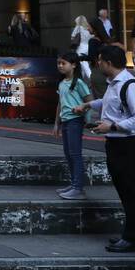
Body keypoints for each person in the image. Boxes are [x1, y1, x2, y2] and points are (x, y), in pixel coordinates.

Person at [88, 44, 135, 252]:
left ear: (108, 62)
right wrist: (89, 105)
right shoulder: (113, 84)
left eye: (100, 60)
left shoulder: (130, 85)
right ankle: (131, 234)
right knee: (124, 190)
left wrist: (113, 126)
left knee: (130, 190)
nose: (98, 64)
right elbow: (109, 103)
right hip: (115, 143)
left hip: (127, 144)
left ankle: (134, 237)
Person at [54, 52, 95, 199]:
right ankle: (74, 184)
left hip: (75, 121)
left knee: (75, 154)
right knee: (68, 153)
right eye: (59, 63)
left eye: (63, 63)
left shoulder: (78, 83)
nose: (60, 66)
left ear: (74, 65)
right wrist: (56, 123)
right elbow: (60, 103)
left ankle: (78, 187)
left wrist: (83, 113)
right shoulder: (62, 83)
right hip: (65, 121)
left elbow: (89, 100)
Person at [71, 15, 95, 81]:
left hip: (81, 47)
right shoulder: (89, 27)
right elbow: (93, 35)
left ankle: (90, 77)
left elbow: (72, 37)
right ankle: (82, 80)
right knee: (83, 64)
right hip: (88, 46)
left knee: (83, 63)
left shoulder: (78, 27)